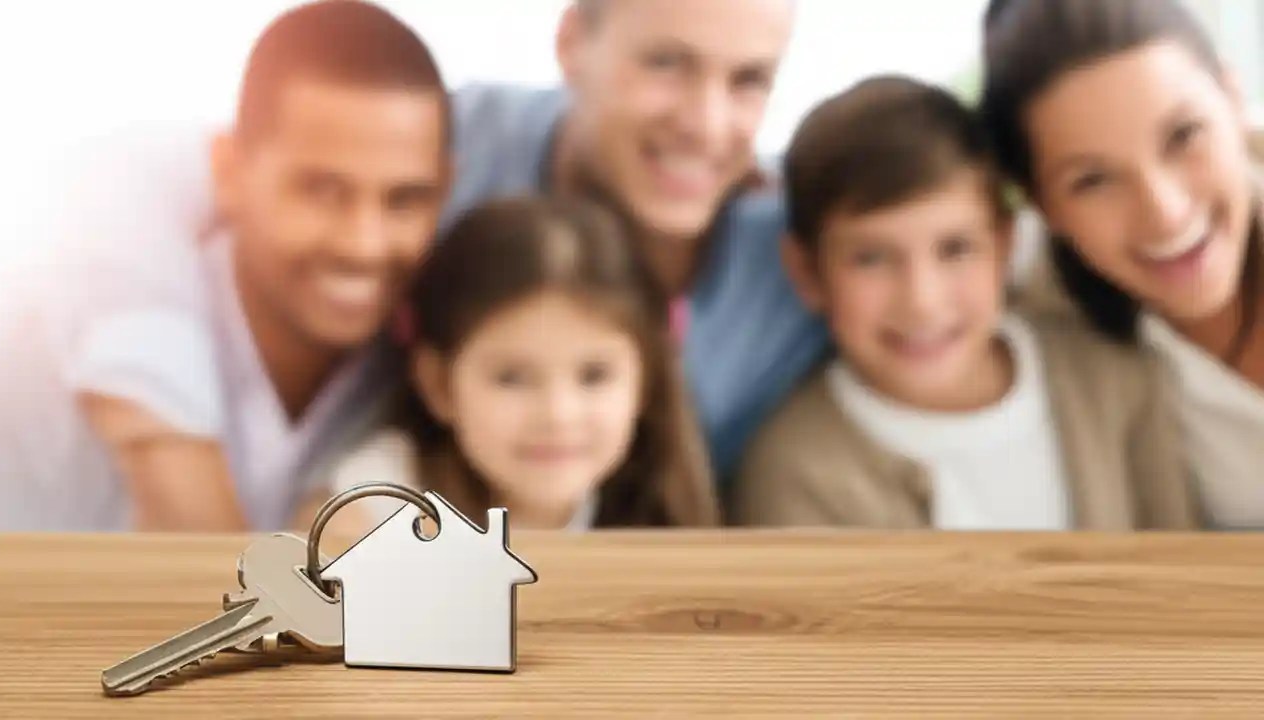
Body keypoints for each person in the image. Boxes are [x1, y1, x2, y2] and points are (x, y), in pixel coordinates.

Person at [0, 0, 450, 531]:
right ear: (229, 171)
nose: (362, 245)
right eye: (321, 190)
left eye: (405, 199)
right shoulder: (80, 328)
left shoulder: (417, 373)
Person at [734, 76, 1198, 530]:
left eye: (956, 248)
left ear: (1005, 244)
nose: (921, 301)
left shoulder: (1119, 384)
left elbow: (1187, 584)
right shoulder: (791, 470)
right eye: (871, 258)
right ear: (808, 272)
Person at [445, 0, 830, 484]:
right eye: (666, 64)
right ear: (572, 43)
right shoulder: (442, 155)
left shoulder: (800, 245)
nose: (706, 126)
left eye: (748, 80)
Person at [981, 0, 1263, 528]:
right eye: (1093, 180)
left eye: (1183, 136)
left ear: (1232, 97)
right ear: (1041, 206)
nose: (1166, 214)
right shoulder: (1037, 340)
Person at [300, 197, 720, 533]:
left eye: (594, 376)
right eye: (512, 378)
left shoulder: (653, 517)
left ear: (645, 381)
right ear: (439, 386)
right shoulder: (373, 511)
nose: (558, 414)